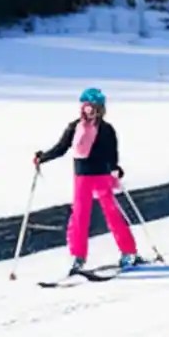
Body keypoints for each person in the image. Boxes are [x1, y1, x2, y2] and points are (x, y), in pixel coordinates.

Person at [33, 87, 142, 272]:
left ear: (99, 108)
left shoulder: (106, 130)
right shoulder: (74, 127)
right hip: (82, 176)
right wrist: (43, 157)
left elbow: (112, 154)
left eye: (92, 106)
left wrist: (115, 168)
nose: (87, 109)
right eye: (85, 106)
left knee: (112, 214)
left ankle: (128, 252)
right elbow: (61, 147)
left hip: (101, 175)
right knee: (79, 216)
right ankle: (78, 257)